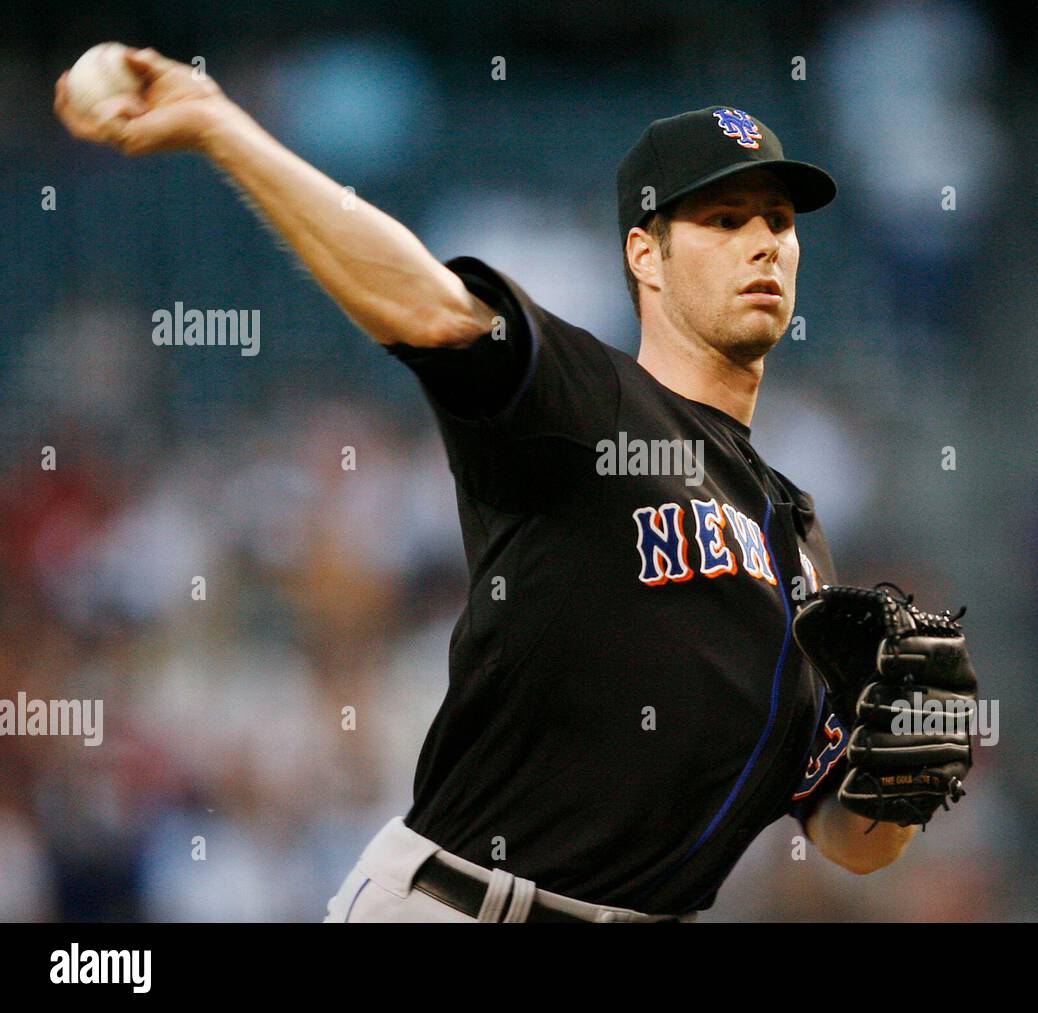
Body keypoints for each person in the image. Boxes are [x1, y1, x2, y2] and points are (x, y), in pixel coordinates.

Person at [56, 47, 918, 923]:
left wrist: (913, 746)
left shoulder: (800, 541)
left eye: (779, 219)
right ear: (646, 256)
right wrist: (221, 126)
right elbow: (426, 306)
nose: (764, 241)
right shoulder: (591, 401)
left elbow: (850, 838)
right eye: (725, 220)